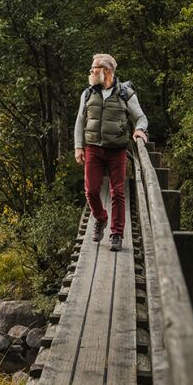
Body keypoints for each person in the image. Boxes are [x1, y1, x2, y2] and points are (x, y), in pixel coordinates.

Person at [73, 53, 148, 251]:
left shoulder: (126, 93)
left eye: (94, 68)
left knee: (118, 193)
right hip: (93, 149)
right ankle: (101, 217)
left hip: (117, 150)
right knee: (91, 191)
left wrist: (140, 129)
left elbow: (140, 117)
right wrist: (78, 146)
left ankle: (117, 234)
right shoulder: (88, 93)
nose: (91, 72)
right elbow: (80, 121)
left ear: (106, 71)